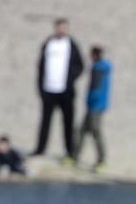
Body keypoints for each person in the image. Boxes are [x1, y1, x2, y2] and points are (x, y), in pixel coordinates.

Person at [34, 18, 85, 164]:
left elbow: (80, 66)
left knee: (68, 122)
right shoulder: (48, 44)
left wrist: (70, 79)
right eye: (59, 27)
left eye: (64, 28)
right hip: (48, 89)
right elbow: (41, 66)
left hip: (66, 91)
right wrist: (40, 86)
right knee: (45, 121)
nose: (61, 30)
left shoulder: (71, 45)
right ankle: (40, 149)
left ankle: (70, 151)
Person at [77, 46, 112, 172]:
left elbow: (95, 87)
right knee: (81, 130)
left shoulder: (98, 69)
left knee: (95, 131)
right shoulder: (101, 68)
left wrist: (91, 100)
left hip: (95, 106)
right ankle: (75, 156)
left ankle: (101, 160)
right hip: (94, 105)